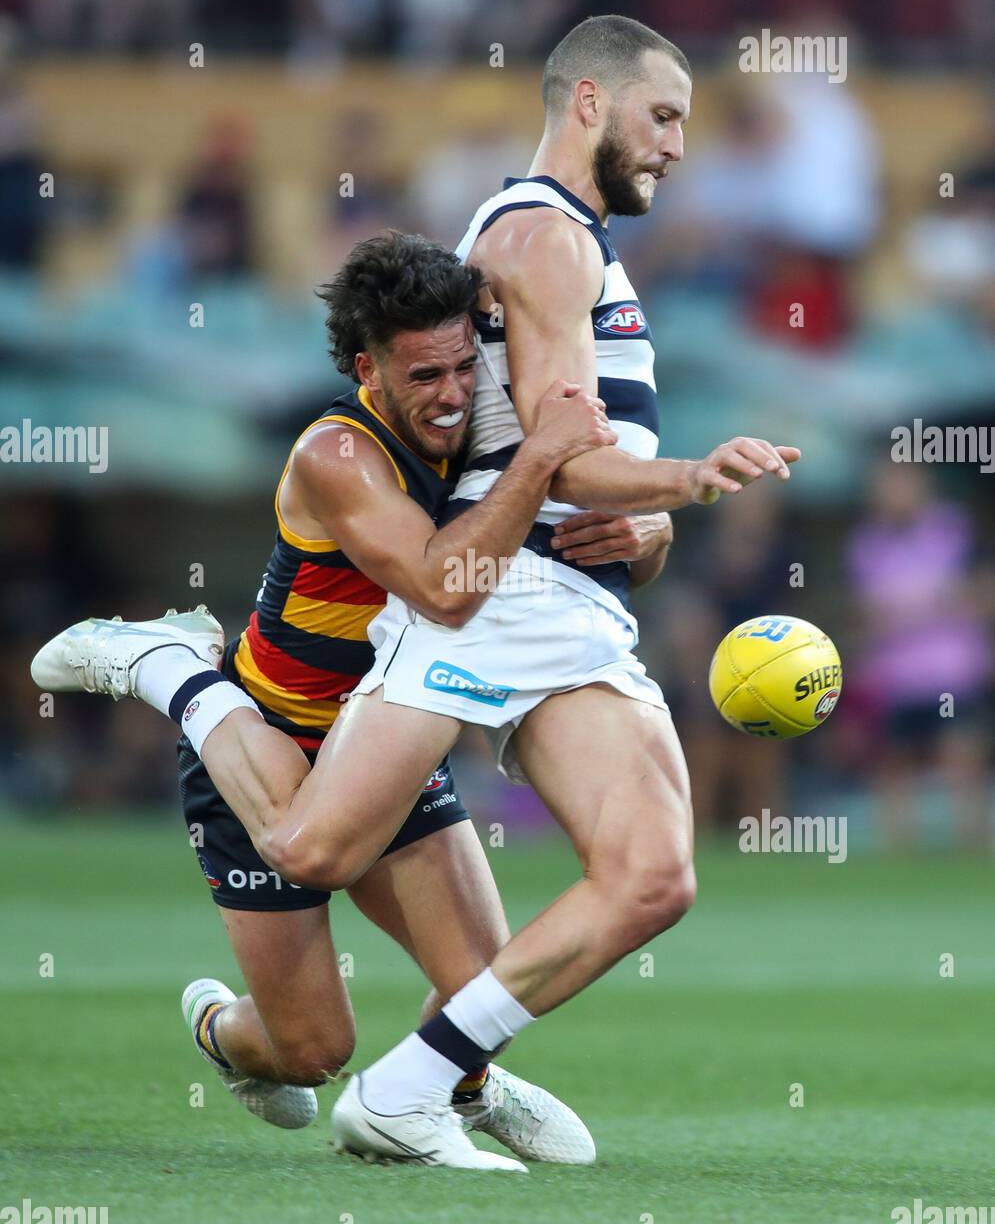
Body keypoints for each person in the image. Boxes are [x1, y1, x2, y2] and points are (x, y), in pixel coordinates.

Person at [35, 17, 799, 1172]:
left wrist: (639, 527)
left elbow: (555, 472)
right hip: (351, 674)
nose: (679, 145)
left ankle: (426, 1081)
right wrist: (684, 479)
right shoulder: (530, 253)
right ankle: (173, 672)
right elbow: (518, 494)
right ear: (587, 100)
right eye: (663, 115)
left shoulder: (567, 250)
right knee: (306, 960)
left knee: (648, 877)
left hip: (546, 606)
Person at [33, 229, 656, 1171]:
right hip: (272, 731)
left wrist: (644, 534)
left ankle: (452, 1085)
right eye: (422, 375)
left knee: (485, 989)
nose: (451, 395)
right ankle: (177, 680)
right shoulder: (337, 452)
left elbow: (588, 550)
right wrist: (537, 467)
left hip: (389, 739)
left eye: (460, 366)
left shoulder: (488, 416)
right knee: (309, 1053)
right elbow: (445, 586)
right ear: (367, 367)